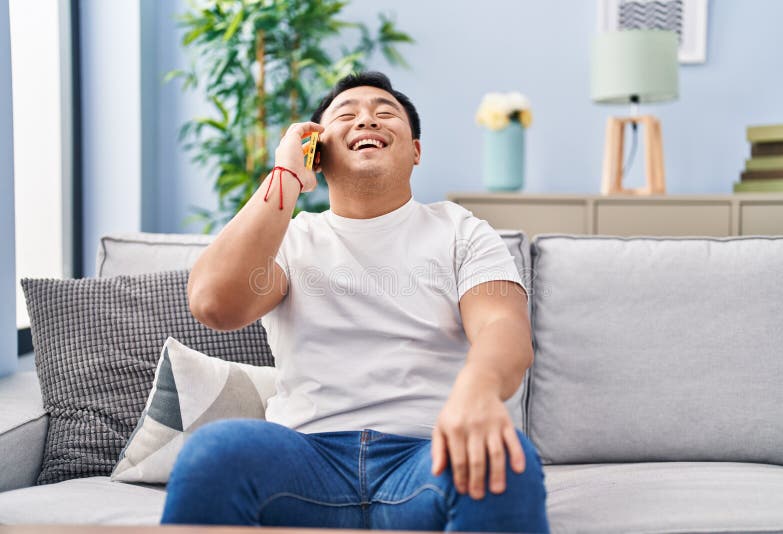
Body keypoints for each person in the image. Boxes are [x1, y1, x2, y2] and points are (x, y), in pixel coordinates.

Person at [160, 71, 549, 533]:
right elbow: (213, 304)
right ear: (317, 154)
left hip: (426, 457)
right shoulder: (290, 235)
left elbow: (502, 328)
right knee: (214, 452)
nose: (367, 119)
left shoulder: (461, 230)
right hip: (306, 458)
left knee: (507, 459)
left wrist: (478, 389)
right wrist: (286, 174)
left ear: (416, 151)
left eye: (385, 113)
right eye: (346, 115)